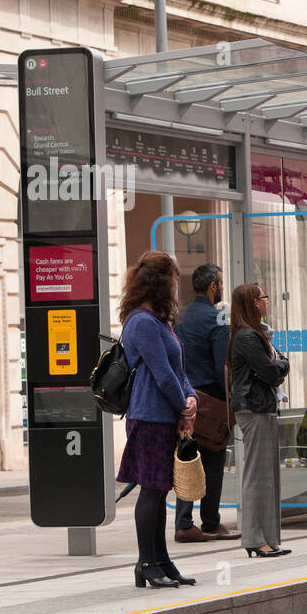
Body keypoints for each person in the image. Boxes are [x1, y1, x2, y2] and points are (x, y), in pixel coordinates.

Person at [116, 251, 198, 588]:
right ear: (162, 282)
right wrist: (183, 409)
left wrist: (190, 398)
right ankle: (146, 563)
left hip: (164, 415)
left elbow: (178, 370)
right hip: (149, 416)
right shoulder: (141, 323)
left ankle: (162, 561)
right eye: (175, 279)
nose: (178, 286)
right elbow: (163, 375)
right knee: (150, 491)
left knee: (159, 489)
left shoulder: (159, 321)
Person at [173, 263, 239, 542]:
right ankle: (210, 521)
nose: (221, 287)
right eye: (220, 283)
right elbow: (220, 368)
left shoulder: (180, 316)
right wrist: (231, 402)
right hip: (210, 402)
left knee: (187, 457)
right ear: (214, 286)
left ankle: (183, 521)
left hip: (183, 398)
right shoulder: (217, 320)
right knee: (213, 460)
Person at [227, 282, 291, 557]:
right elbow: (274, 372)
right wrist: (278, 365)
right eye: (265, 297)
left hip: (262, 406)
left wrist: (278, 364)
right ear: (255, 302)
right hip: (253, 408)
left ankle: (268, 538)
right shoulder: (247, 338)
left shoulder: (257, 336)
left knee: (269, 476)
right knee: (257, 475)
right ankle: (255, 538)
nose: (268, 301)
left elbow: (277, 365)